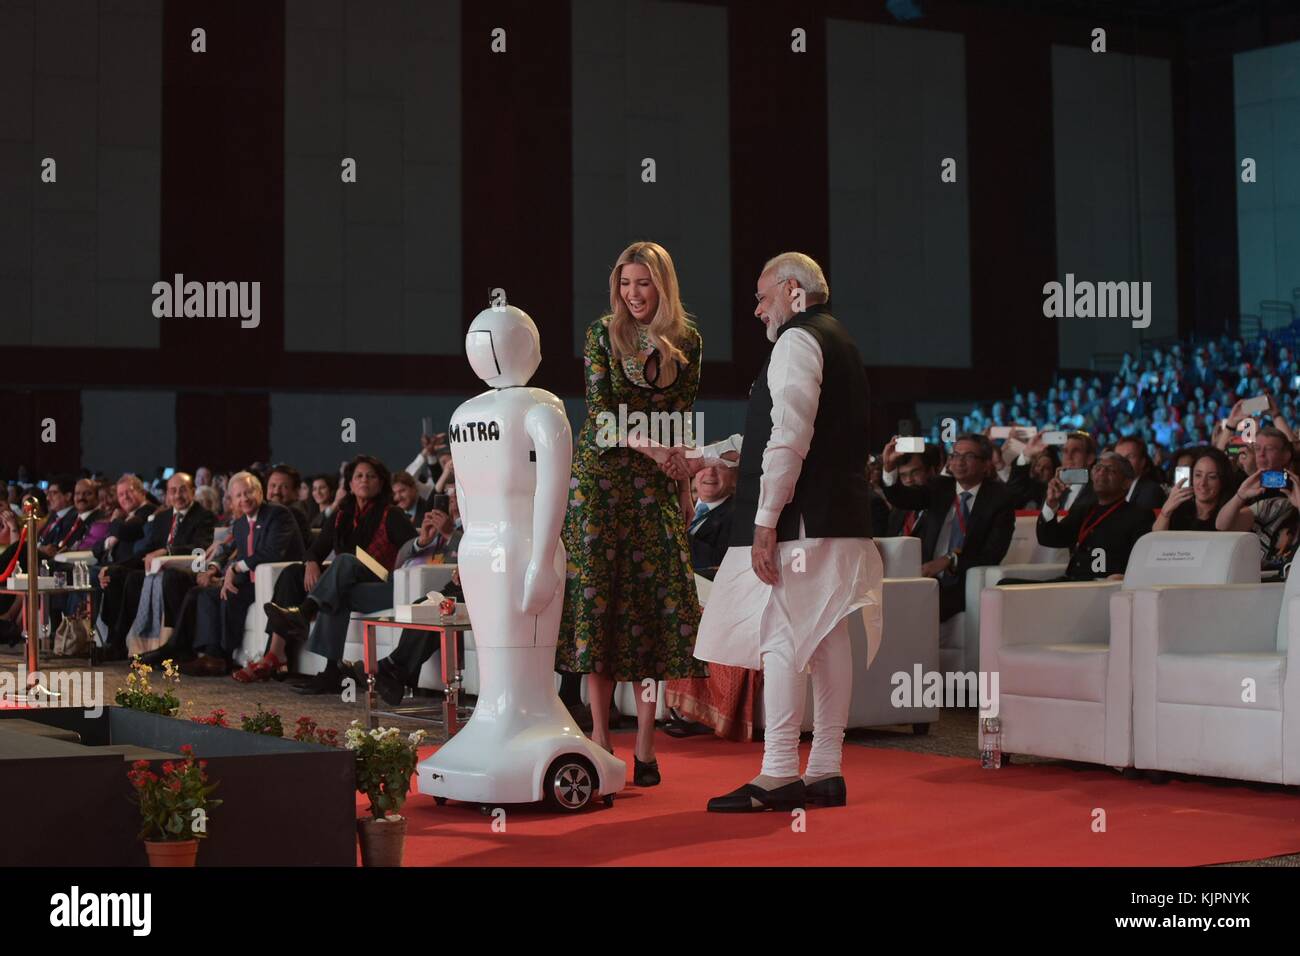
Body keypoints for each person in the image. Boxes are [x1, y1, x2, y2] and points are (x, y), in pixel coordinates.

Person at [666, 251, 881, 812]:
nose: (757, 310)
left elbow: (787, 439)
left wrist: (764, 524)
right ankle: (826, 770)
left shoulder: (796, 340)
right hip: (843, 520)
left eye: (762, 297)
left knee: (782, 636)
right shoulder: (842, 340)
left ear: (790, 290)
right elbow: (775, 439)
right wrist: (704, 456)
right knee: (829, 637)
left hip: (801, 524)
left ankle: (780, 771)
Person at [556, 240, 707, 788]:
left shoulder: (687, 341)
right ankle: (599, 740)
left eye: (643, 283)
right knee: (600, 610)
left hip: (658, 487)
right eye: (625, 283)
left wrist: (686, 482)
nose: (633, 294)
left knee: (650, 613)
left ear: (661, 285)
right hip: (600, 486)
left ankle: (644, 746)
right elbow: (599, 417)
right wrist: (655, 450)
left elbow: (684, 417)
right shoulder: (603, 333)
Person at [261, 455, 417, 693]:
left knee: (344, 560)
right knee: (333, 592)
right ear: (350, 485)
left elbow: (412, 552)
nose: (364, 480)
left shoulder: (392, 513)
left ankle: (305, 611)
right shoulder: (342, 515)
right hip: (354, 585)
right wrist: (312, 562)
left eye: (371, 476)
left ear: (381, 483)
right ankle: (331, 671)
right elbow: (316, 548)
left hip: (386, 583)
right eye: (359, 476)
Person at [176, 472, 305, 675]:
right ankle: (211, 655)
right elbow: (230, 549)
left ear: (260, 492)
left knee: (230, 595)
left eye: (248, 492)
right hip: (251, 581)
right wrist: (216, 570)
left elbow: (272, 552)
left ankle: (225, 656)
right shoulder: (241, 523)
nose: (244, 499)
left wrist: (235, 569)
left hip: (276, 582)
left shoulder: (278, 514)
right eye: (238, 496)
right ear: (232, 500)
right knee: (206, 594)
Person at [881, 433, 1015, 623]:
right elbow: (902, 499)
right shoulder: (939, 487)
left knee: (913, 608)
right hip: (924, 576)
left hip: (961, 582)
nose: (959, 462)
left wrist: (950, 560)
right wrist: (888, 468)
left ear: (986, 464)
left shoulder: (999, 499)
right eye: (955, 455)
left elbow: (993, 553)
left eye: (968, 456)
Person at [1000, 451, 1154, 584]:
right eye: (1098, 468)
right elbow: (1050, 538)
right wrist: (1051, 504)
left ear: (1127, 483)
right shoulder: (1084, 508)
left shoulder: (1139, 516)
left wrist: (1126, 578)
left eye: (1110, 470)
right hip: (1072, 582)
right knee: (1005, 584)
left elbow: (1143, 562)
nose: (1101, 473)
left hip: (1103, 587)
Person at [1215, 426, 1297, 565]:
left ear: (1286, 456)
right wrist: (1240, 495)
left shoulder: (1293, 488)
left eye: (1269, 449)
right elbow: (1222, 526)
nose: (1261, 454)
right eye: (1257, 448)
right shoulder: (1241, 482)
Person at [1153, 447, 1235, 532]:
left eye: (1212, 477)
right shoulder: (1179, 509)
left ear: (1223, 480)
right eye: (1198, 475)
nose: (1203, 483)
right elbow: (1156, 538)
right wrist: (1166, 511)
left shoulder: (1230, 512)